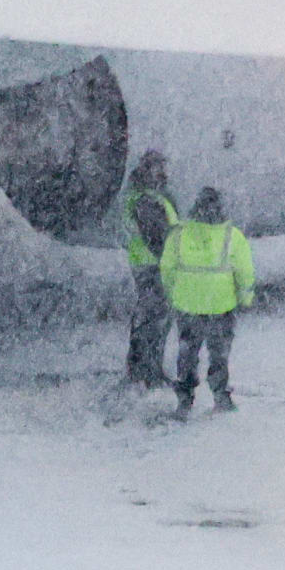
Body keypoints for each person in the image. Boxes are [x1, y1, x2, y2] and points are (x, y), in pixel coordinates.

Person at [162, 183, 255, 414]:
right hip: (220, 305)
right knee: (219, 354)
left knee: (187, 352)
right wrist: (246, 298)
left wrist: (172, 293)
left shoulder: (179, 235)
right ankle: (221, 396)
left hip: (187, 304)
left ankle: (184, 398)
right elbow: (244, 271)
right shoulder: (232, 236)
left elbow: (167, 268)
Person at [117, 149, 178, 392]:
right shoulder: (147, 199)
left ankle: (140, 369)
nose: (163, 171)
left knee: (147, 316)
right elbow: (156, 236)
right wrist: (170, 259)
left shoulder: (147, 195)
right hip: (153, 265)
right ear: (149, 169)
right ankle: (150, 371)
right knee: (156, 318)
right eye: (159, 166)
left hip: (147, 263)